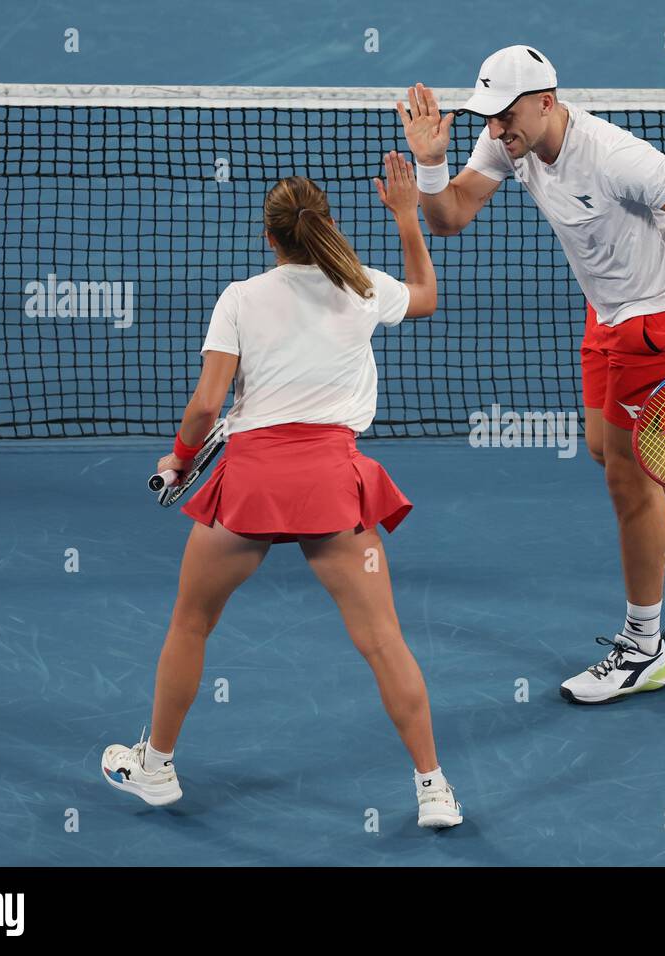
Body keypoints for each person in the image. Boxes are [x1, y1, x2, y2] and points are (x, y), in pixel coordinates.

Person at [398, 46, 665, 704]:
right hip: (612, 312)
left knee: (629, 477)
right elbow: (450, 219)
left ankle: (644, 649)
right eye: (490, 118)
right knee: (606, 449)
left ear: (546, 103)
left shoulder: (616, 157)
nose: (497, 129)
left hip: (662, 317)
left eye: (506, 116)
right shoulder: (509, 139)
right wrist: (430, 161)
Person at [102, 152, 463, 828]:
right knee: (384, 638)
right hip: (333, 485)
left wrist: (180, 461)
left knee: (190, 623)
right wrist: (409, 219)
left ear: (270, 237)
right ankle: (433, 788)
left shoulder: (240, 298)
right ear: (325, 226)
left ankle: (155, 766)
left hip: (251, 487)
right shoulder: (361, 288)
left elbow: (207, 408)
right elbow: (426, 296)